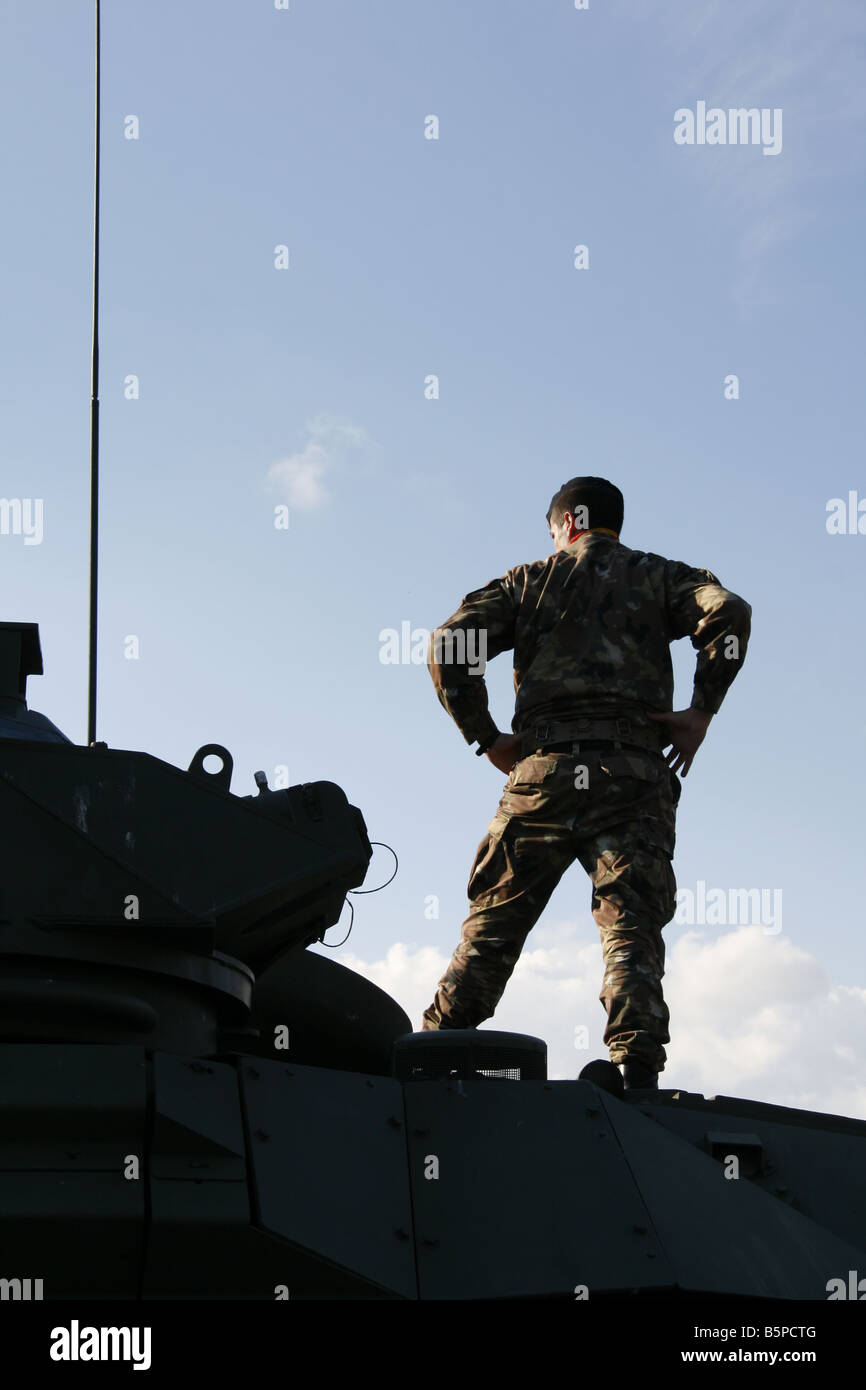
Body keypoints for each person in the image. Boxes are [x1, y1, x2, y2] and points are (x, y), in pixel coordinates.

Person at [421, 476, 751, 1089]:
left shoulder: (526, 582)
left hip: (543, 773)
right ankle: (637, 1066)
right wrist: (701, 711)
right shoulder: (662, 576)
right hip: (632, 774)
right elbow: (728, 612)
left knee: (493, 926)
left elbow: (451, 641)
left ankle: (433, 1058)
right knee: (630, 925)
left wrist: (487, 737)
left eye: (552, 531)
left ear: (568, 522)